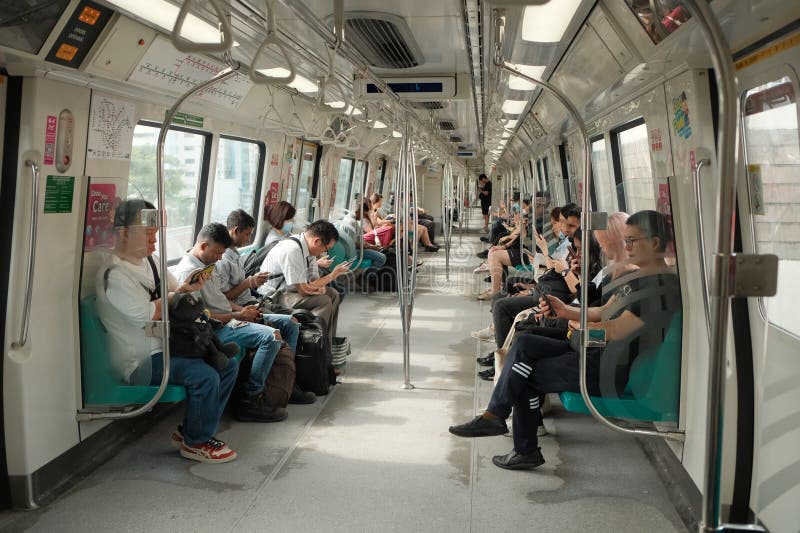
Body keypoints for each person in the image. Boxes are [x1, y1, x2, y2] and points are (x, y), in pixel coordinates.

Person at [450, 210, 681, 470]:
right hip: (591, 352)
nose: (626, 247)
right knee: (525, 344)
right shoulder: (637, 279)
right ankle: (497, 418)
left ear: (654, 243)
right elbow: (602, 311)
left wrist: (576, 325)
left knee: (522, 375)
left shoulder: (658, 289)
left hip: (604, 368)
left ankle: (519, 443)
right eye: (625, 240)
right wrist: (565, 310)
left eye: (632, 241)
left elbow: (614, 330)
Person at [96, 199, 238, 463]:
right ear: (124, 233)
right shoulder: (114, 275)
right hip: (140, 360)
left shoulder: (151, 261)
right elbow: (149, 313)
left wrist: (185, 290)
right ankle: (196, 443)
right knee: (205, 376)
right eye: (147, 234)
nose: (154, 240)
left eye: (155, 234)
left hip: (168, 344)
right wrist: (175, 296)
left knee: (227, 366)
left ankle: (191, 431)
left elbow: (175, 291)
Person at [176, 223, 301, 422]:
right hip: (215, 328)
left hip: (230, 317)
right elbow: (202, 317)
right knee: (271, 337)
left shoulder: (206, 266)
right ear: (203, 246)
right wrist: (238, 316)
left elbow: (221, 299)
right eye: (217, 253)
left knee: (290, 323)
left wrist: (242, 310)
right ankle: (250, 399)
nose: (219, 258)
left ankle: (287, 382)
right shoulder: (189, 274)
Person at [215, 210, 316, 404]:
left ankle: (287, 383)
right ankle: (254, 395)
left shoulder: (233, 255)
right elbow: (223, 299)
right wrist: (248, 286)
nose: (249, 239)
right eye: (247, 235)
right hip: (238, 310)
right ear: (235, 231)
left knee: (293, 323)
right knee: (274, 333)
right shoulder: (221, 261)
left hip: (247, 304)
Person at [258, 220, 350, 339]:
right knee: (324, 301)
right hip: (275, 295)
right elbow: (303, 290)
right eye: (326, 249)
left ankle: (327, 341)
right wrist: (332, 275)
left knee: (333, 294)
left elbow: (314, 280)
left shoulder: (308, 250)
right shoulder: (292, 250)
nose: (325, 252)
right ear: (317, 241)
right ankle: (313, 340)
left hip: (291, 290)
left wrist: (320, 288)